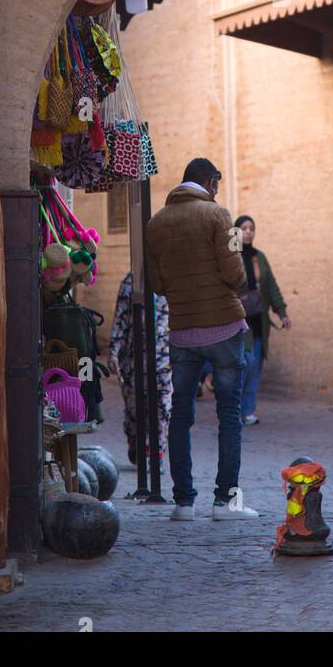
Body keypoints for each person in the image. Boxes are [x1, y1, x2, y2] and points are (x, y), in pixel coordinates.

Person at [145, 157, 259, 522]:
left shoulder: (155, 224)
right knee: (228, 414)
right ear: (210, 182)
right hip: (224, 327)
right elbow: (235, 273)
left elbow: (158, 284)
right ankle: (225, 502)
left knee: (180, 414)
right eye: (216, 186)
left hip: (182, 331)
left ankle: (183, 503)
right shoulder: (218, 216)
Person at [108, 271, 172, 466]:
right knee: (135, 407)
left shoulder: (170, 279)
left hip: (164, 357)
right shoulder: (130, 282)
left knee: (162, 405)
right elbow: (121, 317)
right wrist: (113, 350)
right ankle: (136, 441)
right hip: (133, 357)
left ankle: (156, 452)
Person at [233, 215, 291, 425]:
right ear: (236, 231)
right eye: (244, 228)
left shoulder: (260, 258)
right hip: (238, 323)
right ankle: (234, 410)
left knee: (255, 367)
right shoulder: (230, 256)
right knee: (244, 366)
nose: (248, 232)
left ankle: (247, 411)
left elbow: (271, 286)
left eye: (252, 228)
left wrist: (282, 312)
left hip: (259, 321)